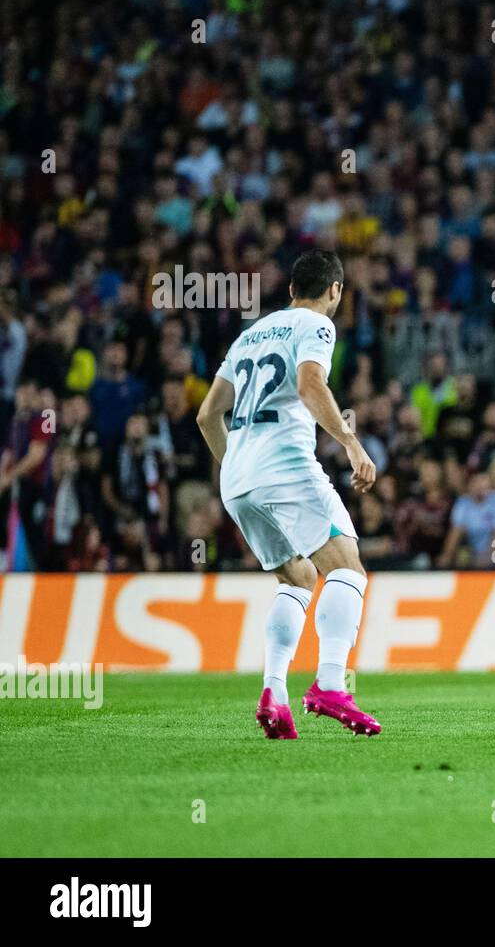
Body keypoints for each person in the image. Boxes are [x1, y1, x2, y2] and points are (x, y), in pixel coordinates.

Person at [196, 249, 382, 740]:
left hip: (237, 478)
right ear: (335, 290)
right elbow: (309, 384)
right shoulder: (316, 326)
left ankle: (274, 693)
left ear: (290, 289)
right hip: (285, 466)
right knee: (346, 568)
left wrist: (237, 466)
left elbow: (206, 415)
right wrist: (350, 442)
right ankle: (329, 685)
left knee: (297, 578)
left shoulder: (248, 336)